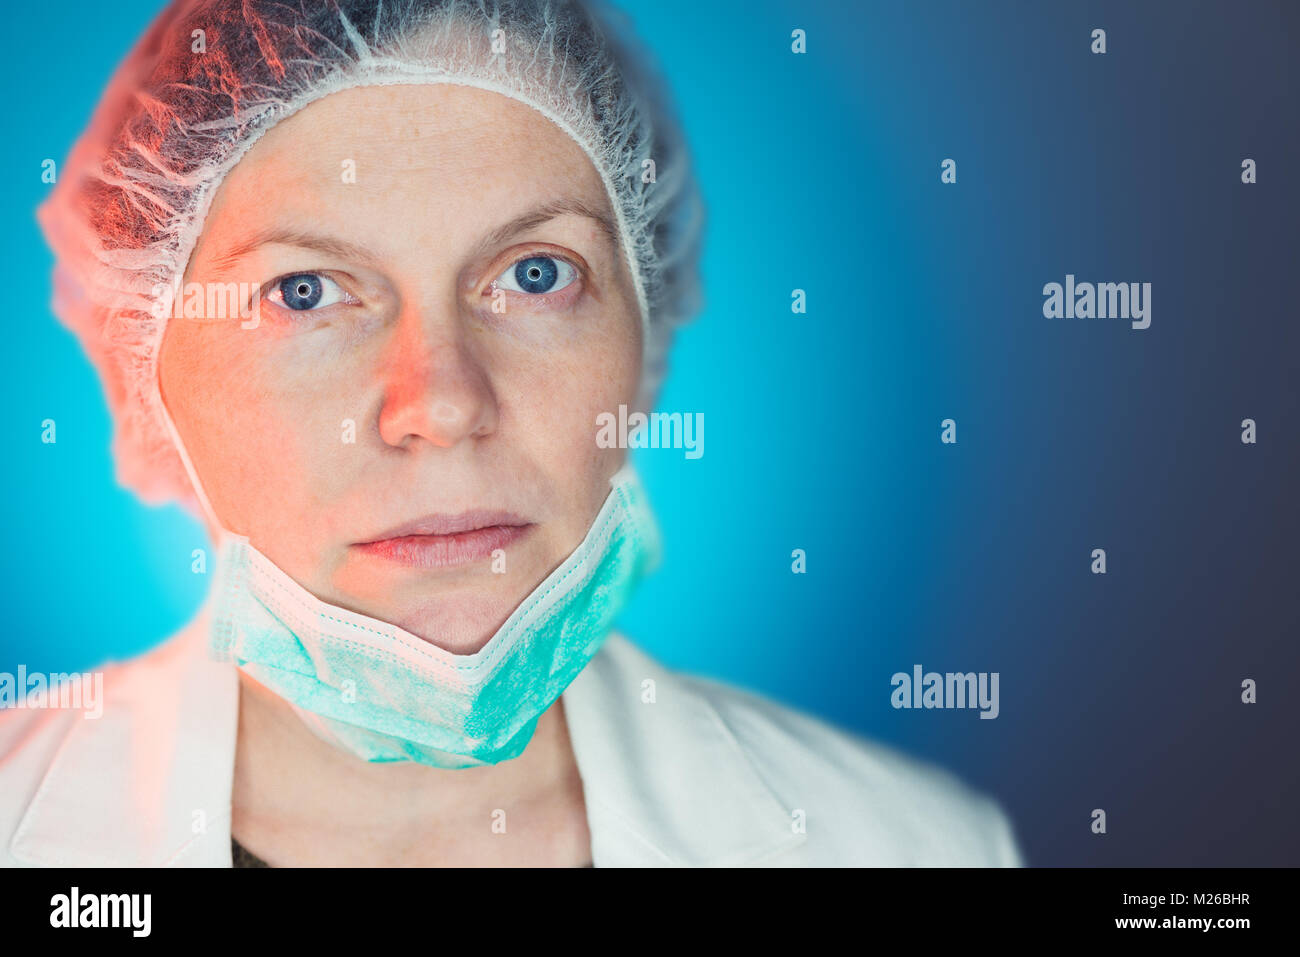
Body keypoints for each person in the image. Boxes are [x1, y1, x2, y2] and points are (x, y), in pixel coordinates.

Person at [1, 0, 1024, 867]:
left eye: (537, 273)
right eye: (304, 291)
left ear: (642, 317)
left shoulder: (911, 846)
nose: (442, 404)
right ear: (145, 362)